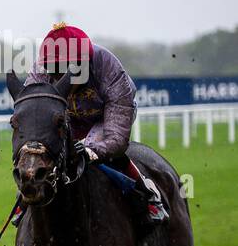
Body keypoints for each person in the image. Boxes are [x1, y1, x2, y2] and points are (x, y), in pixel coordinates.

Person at [25, 23, 167, 223]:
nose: (58, 78)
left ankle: (148, 194)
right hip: (69, 118)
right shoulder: (41, 72)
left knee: (95, 151)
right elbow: (34, 119)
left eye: (64, 71)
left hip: (105, 116)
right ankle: (23, 202)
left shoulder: (107, 67)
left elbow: (116, 139)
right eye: (54, 71)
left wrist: (92, 151)